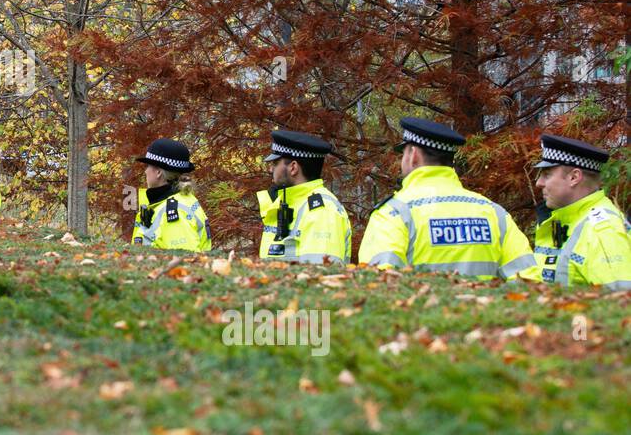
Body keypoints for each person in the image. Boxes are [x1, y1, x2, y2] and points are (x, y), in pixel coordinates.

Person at [357, 117, 534, 278]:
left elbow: (377, 284)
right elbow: (528, 281)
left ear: (413, 155)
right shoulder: (493, 212)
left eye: (403, 153)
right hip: (483, 313)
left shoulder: (393, 213)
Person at [512, 135, 631, 289]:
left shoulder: (603, 232)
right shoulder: (561, 221)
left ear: (574, 177)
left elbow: (621, 305)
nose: (539, 183)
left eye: (547, 174)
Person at [256, 130, 352, 264]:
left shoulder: (322, 212)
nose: (271, 170)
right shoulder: (291, 202)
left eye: (275, 163)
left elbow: (319, 276)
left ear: (293, 168)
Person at [130, 138, 212, 251]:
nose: (145, 171)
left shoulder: (175, 211)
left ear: (158, 172)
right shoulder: (173, 201)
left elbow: (184, 261)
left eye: (148, 166)